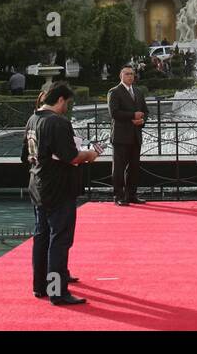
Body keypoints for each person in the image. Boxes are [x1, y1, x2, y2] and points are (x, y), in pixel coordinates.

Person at [22, 83, 101, 306]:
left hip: (38, 185)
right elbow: (71, 157)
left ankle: (40, 286)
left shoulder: (32, 120)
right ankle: (57, 291)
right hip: (59, 188)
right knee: (59, 240)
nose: (68, 107)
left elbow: (25, 156)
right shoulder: (57, 122)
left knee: (42, 236)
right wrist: (90, 154)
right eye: (67, 102)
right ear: (60, 100)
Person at [107, 66, 150, 206]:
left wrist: (142, 120)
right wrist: (132, 116)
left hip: (136, 135)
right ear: (121, 76)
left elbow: (145, 111)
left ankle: (132, 195)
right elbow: (114, 113)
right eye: (127, 74)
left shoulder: (138, 91)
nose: (130, 76)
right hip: (120, 136)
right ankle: (118, 196)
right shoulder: (114, 92)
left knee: (134, 167)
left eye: (132, 74)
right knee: (119, 168)